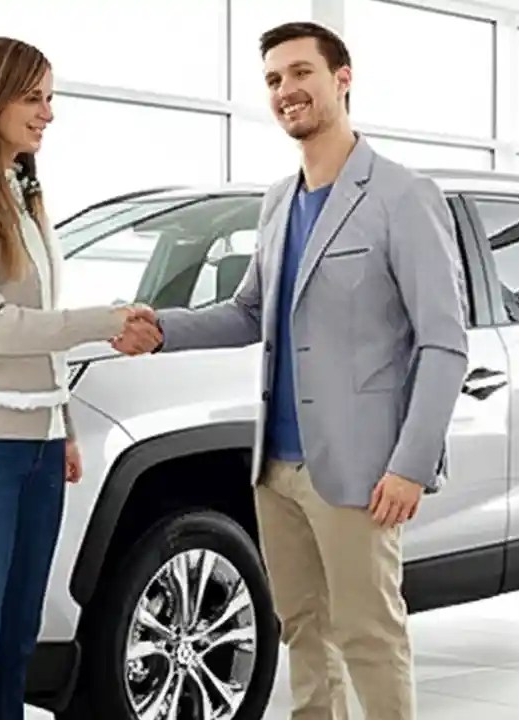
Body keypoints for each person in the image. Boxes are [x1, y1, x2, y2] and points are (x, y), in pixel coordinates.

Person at [112, 21, 469, 720]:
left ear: (343, 78)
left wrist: (410, 463)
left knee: (369, 633)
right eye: (274, 80)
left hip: (362, 468)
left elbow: (444, 342)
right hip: (275, 468)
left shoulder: (401, 195)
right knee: (303, 629)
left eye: (300, 73)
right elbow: (250, 314)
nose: (286, 91)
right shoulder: (277, 202)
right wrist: (159, 330)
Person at [0, 36, 148, 720]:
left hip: (36, 446)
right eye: (33, 97)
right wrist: (105, 321)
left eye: (51, 98)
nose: (48, 114)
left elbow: (38, 328)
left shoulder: (22, 193)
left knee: (15, 641)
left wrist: (61, 426)